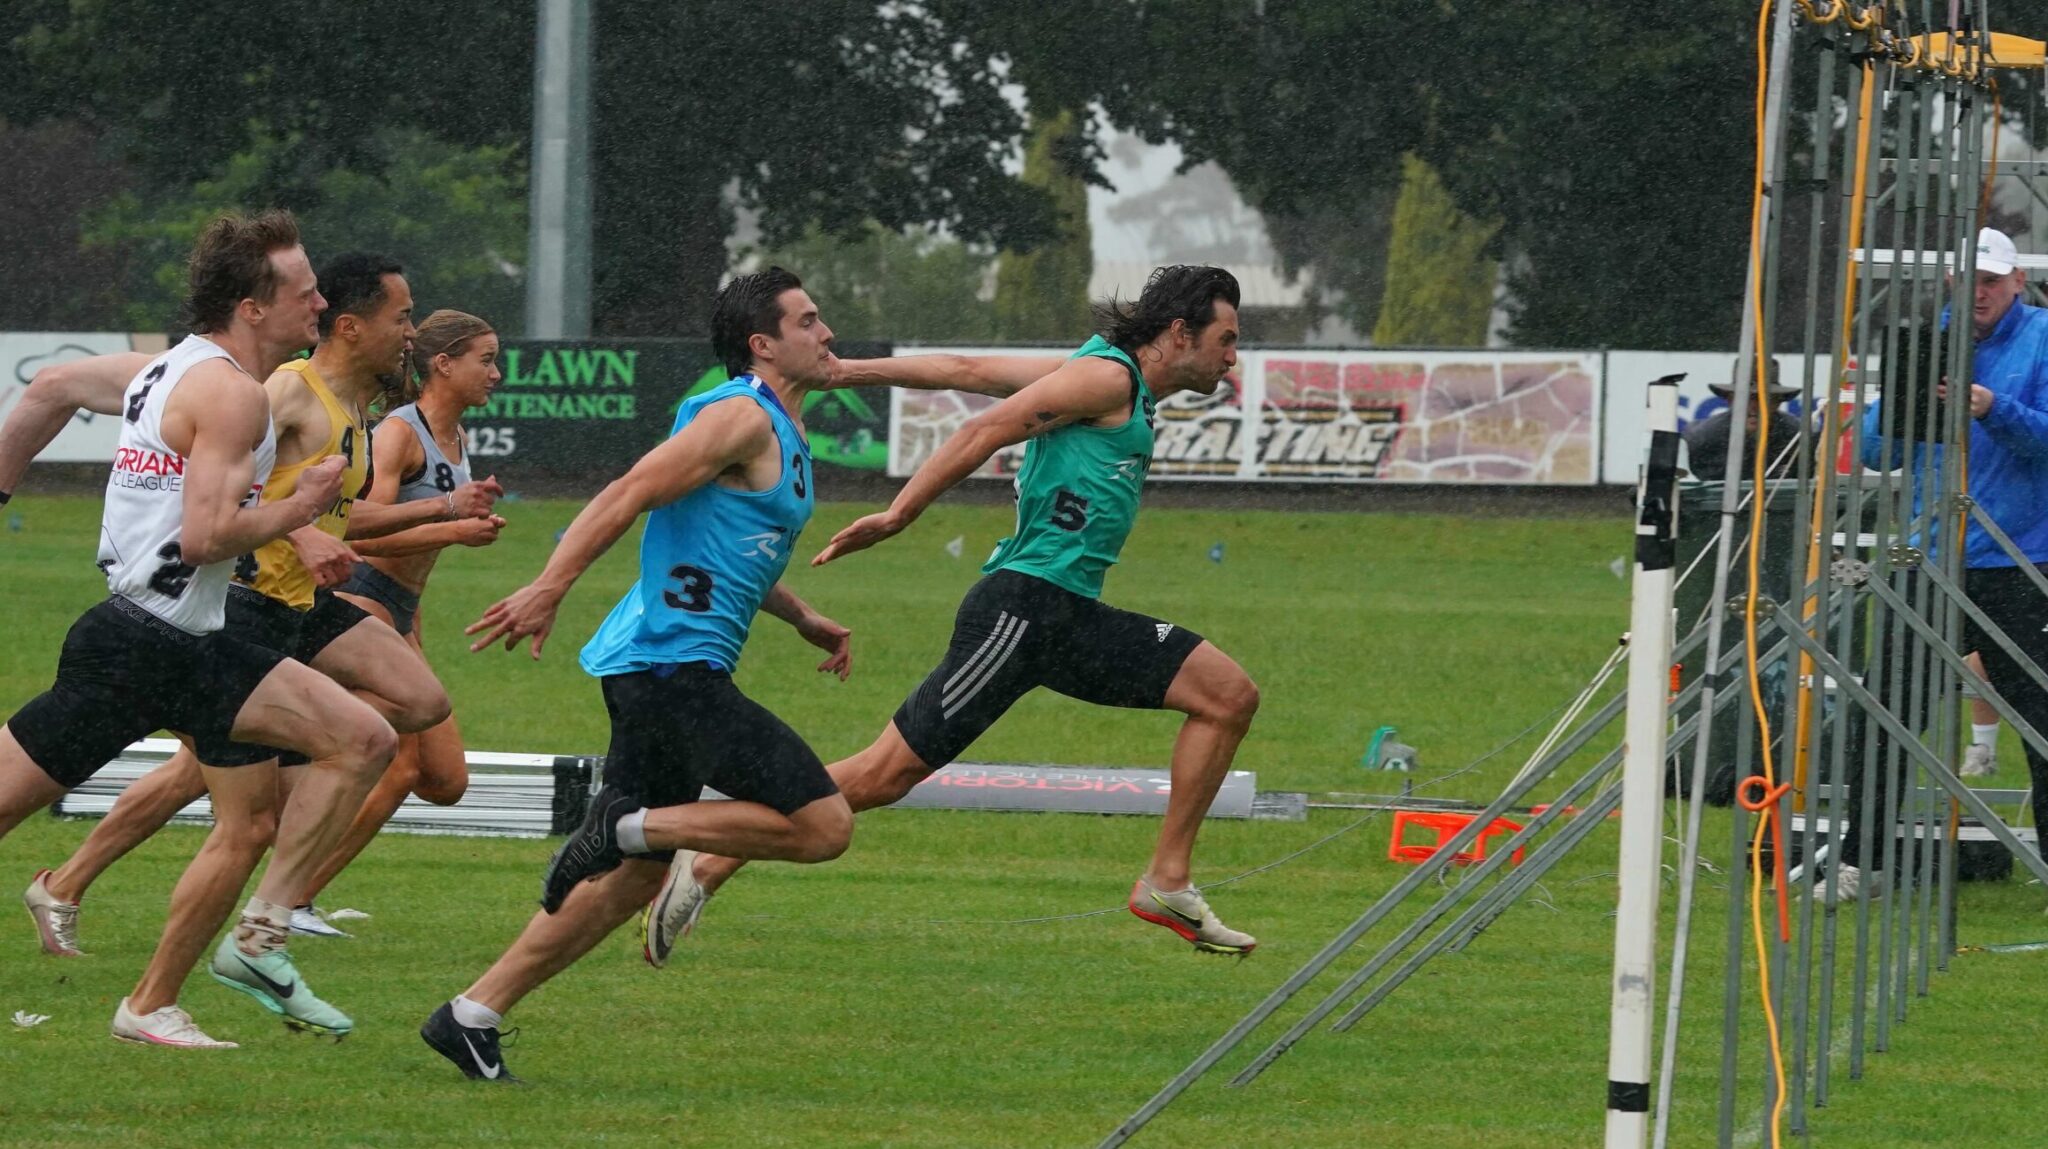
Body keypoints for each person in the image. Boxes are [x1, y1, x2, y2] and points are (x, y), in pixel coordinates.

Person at [646, 264, 1263, 967]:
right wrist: (899, 513)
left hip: (1063, 616)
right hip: (1023, 612)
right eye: (1226, 338)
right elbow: (990, 426)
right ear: (1179, 332)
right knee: (882, 776)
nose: (1232, 356)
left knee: (1227, 694)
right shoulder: (1107, 379)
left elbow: (964, 367)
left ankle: (1167, 878)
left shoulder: (1105, 375)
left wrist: (846, 373)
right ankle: (709, 847)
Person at [420, 267, 859, 1083]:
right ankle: (621, 823)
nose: (827, 332)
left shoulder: (780, 433)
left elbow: (728, 550)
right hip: (670, 669)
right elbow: (628, 492)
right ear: (763, 345)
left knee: (632, 883)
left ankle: (471, 1012)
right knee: (823, 825)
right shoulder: (738, 416)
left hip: (667, 668)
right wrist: (550, 585)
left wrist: (801, 617)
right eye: (809, 320)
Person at [14, 255, 496, 991]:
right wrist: (303, 525)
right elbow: (218, 488)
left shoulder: (350, 406)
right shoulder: (266, 391)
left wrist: (421, 513)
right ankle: (195, 937)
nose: (410, 331)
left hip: (292, 604)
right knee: (232, 795)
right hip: (237, 604)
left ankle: (238, 920)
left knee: (411, 708)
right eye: (402, 316)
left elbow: (316, 505)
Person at [0, 211, 399, 1049]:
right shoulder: (232, 393)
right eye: (304, 291)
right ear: (253, 307)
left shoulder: (172, 368)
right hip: (151, 642)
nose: (321, 304)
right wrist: (304, 503)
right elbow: (205, 537)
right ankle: (250, 942)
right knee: (353, 743)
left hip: (159, 634)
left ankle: (176, 989)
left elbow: (49, 389)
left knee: (322, 765)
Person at [1842, 226, 2048, 898]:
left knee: (2042, 724)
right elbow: (1876, 451)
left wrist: (1995, 409)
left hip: (2020, 563)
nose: (1981, 291)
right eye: (1971, 279)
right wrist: (1899, 404)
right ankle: (1861, 861)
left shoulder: (2043, 339)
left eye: (1993, 279)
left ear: (2018, 280)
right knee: (1883, 713)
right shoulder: (1930, 341)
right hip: (1927, 560)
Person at [298, 309, 510, 915]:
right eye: (486, 359)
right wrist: (455, 525)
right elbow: (354, 538)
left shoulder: (457, 436)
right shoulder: (398, 432)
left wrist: (414, 616)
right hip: (356, 598)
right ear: (443, 364)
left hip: (399, 612)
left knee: (445, 780)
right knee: (395, 764)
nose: (495, 373)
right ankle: (291, 901)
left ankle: (291, 890)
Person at [1682, 359, 1809, 482]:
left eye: (1762, 398)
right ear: (1730, 400)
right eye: (1746, 397)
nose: (1754, 406)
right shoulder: (1701, 439)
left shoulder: (1799, 437)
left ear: (1777, 403)